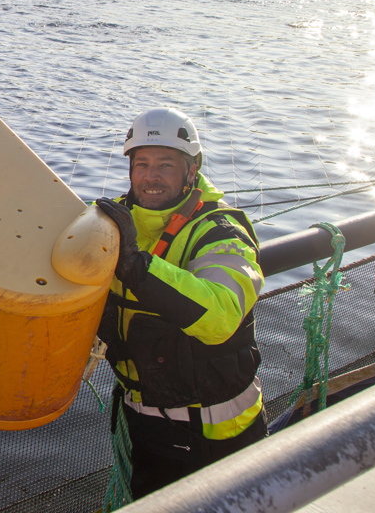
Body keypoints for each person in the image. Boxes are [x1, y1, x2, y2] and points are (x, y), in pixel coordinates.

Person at [94, 107, 267, 499]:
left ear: (192, 170)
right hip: (144, 424)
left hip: (219, 436)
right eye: (142, 164)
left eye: (166, 165)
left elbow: (222, 313)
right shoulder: (110, 221)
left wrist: (137, 267)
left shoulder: (222, 233)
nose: (151, 177)